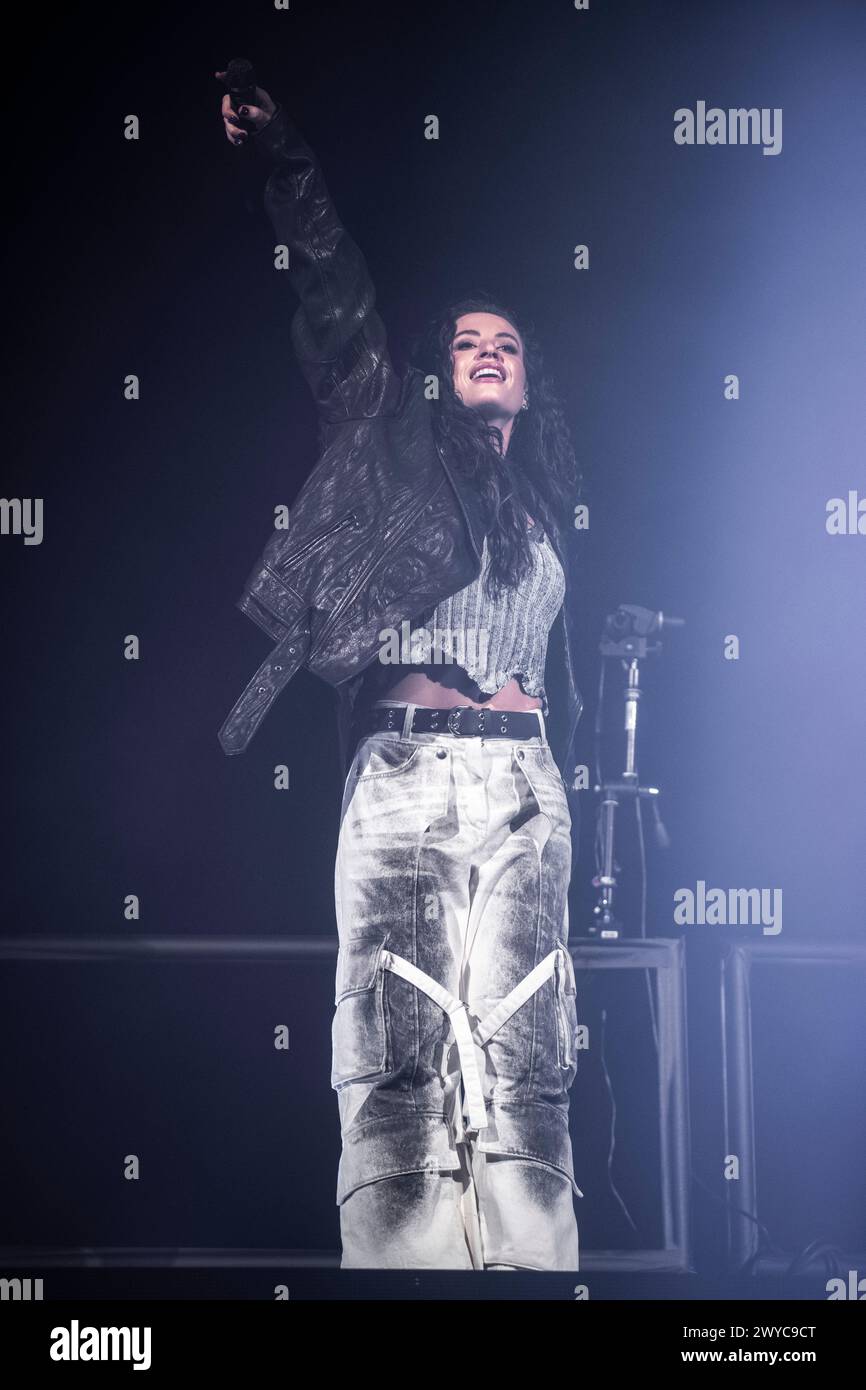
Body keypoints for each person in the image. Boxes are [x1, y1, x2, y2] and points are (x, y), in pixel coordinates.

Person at [217, 71, 584, 1271]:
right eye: (466, 341)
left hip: (527, 790)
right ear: (441, 368)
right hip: (408, 780)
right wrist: (286, 159)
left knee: (526, 1059)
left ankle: (531, 1275)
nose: (485, 352)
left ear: (528, 383)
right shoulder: (387, 435)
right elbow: (334, 295)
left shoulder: (545, 512)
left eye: (506, 344)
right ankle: (407, 1289)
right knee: (396, 1063)